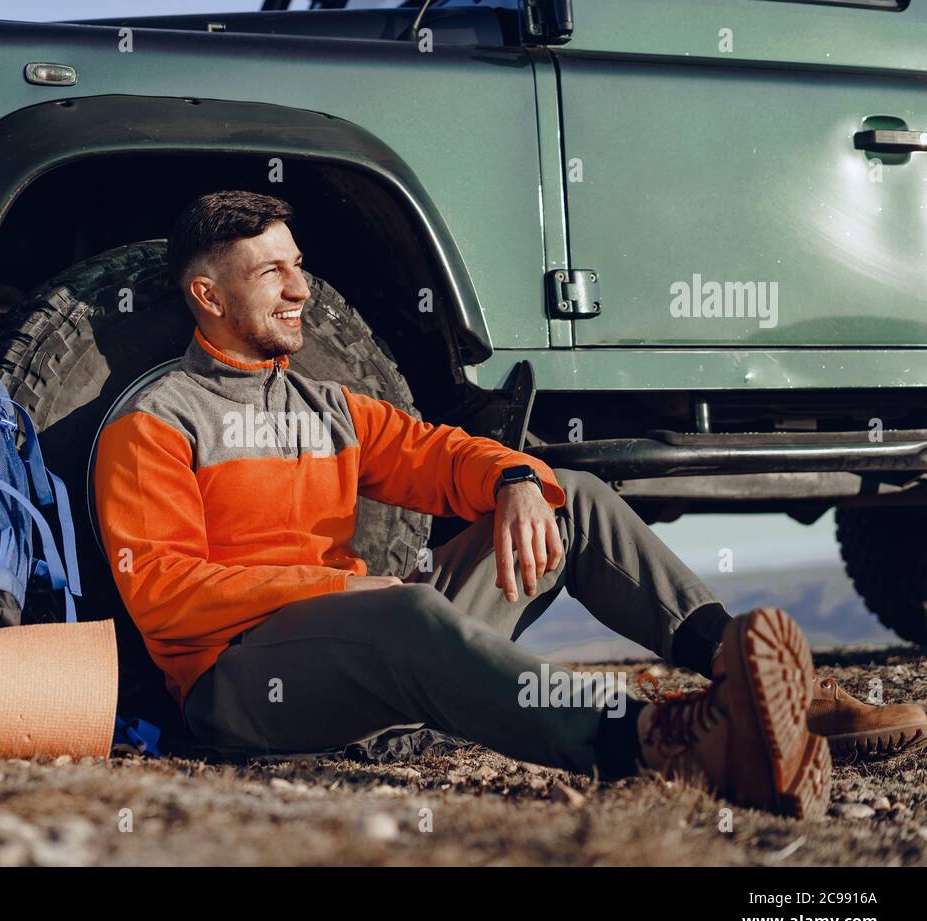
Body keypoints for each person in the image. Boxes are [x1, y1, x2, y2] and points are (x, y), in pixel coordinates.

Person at [93, 190, 926, 819]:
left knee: (576, 500)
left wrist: (515, 480)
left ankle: (750, 683)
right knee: (407, 616)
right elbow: (165, 592)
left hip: (377, 644)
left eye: (299, 265)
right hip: (243, 684)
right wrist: (338, 590)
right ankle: (656, 743)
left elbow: (438, 453)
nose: (300, 289)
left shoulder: (330, 406)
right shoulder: (155, 420)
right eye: (271, 272)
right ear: (208, 296)